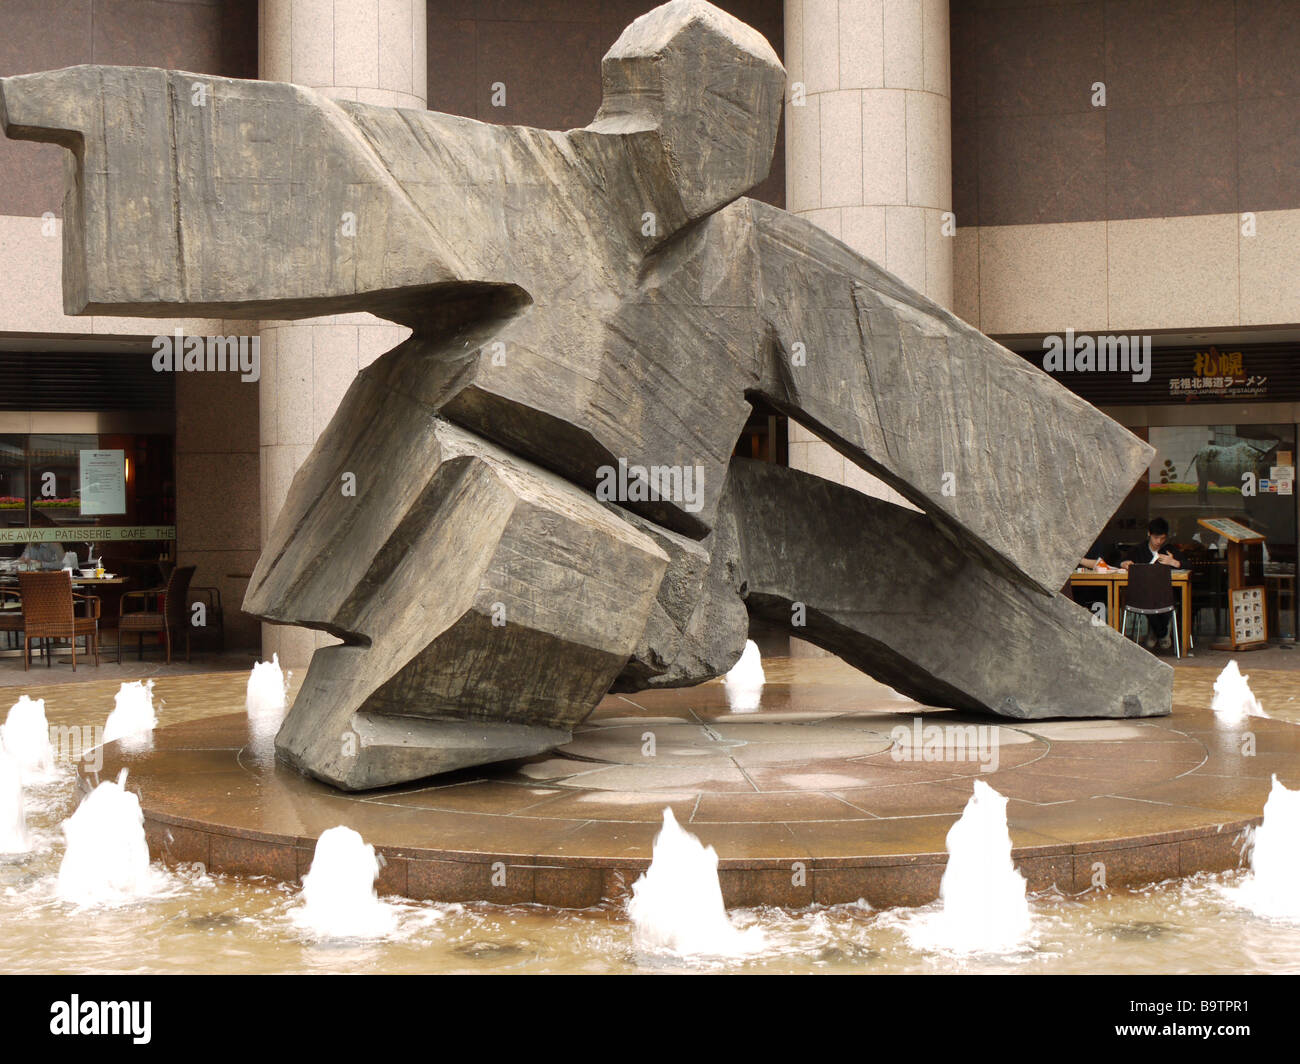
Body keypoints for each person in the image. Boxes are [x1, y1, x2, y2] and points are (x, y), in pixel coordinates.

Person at [1120, 518, 1186, 651]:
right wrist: (1124, 564)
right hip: (1143, 594)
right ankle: (1162, 632)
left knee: (1166, 599)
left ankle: (1155, 632)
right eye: (1156, 538)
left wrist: (1173, 562)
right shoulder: (1138, 550)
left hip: (1165, 594)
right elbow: (1119, 561)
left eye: (1162, 538)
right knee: (1149, 599)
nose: (1159, 542)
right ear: (1149, 533)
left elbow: (1188, 565)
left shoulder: (1169, 549)